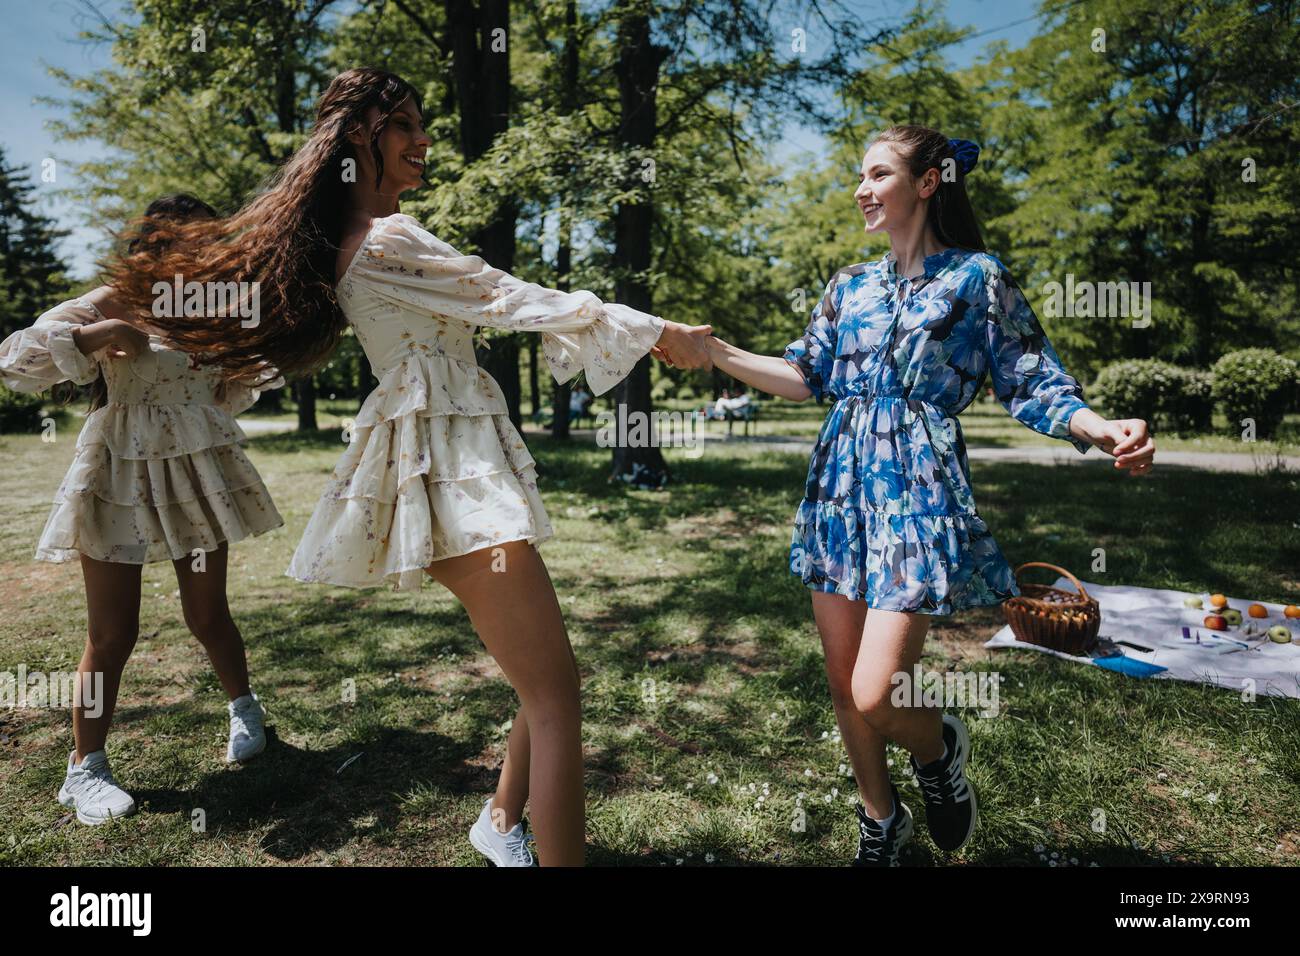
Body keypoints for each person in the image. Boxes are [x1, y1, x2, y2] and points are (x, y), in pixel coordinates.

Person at [102, 69, 713, 865]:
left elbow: (491, 301)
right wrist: (656, 328)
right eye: (405, 125)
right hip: (448, 470)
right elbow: (505, 295)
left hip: (451, 462)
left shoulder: (363, 237)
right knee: (557, 697)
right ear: (359, 135)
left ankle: (500, 822)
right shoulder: (383, 238)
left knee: (545, 680)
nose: (424, 139)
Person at [696, 126, 1155, 865]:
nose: (861, 189)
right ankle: (881, 820)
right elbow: (806, 373)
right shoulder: (849, 284)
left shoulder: (976, 277)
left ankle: (938, 750)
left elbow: (1028, 375)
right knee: (844, 685)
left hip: (917, 488)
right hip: (840, 486)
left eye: (877, 174)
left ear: (927, 182)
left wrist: (1097, 427)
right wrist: (715, 352)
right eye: (860, 175)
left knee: (880, 692)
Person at [0, 194, 284, 825]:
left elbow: (231, 391)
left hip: (193, 476)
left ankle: (246, 711)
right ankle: (85, 770)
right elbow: (15, 359)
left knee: (209, 615)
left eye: (203, 244)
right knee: (111, 633)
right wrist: (98, 333)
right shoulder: (109, 299)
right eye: (173, 243)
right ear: (147, 244)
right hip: (116, 477)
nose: (188, 255)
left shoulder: (210, 306)